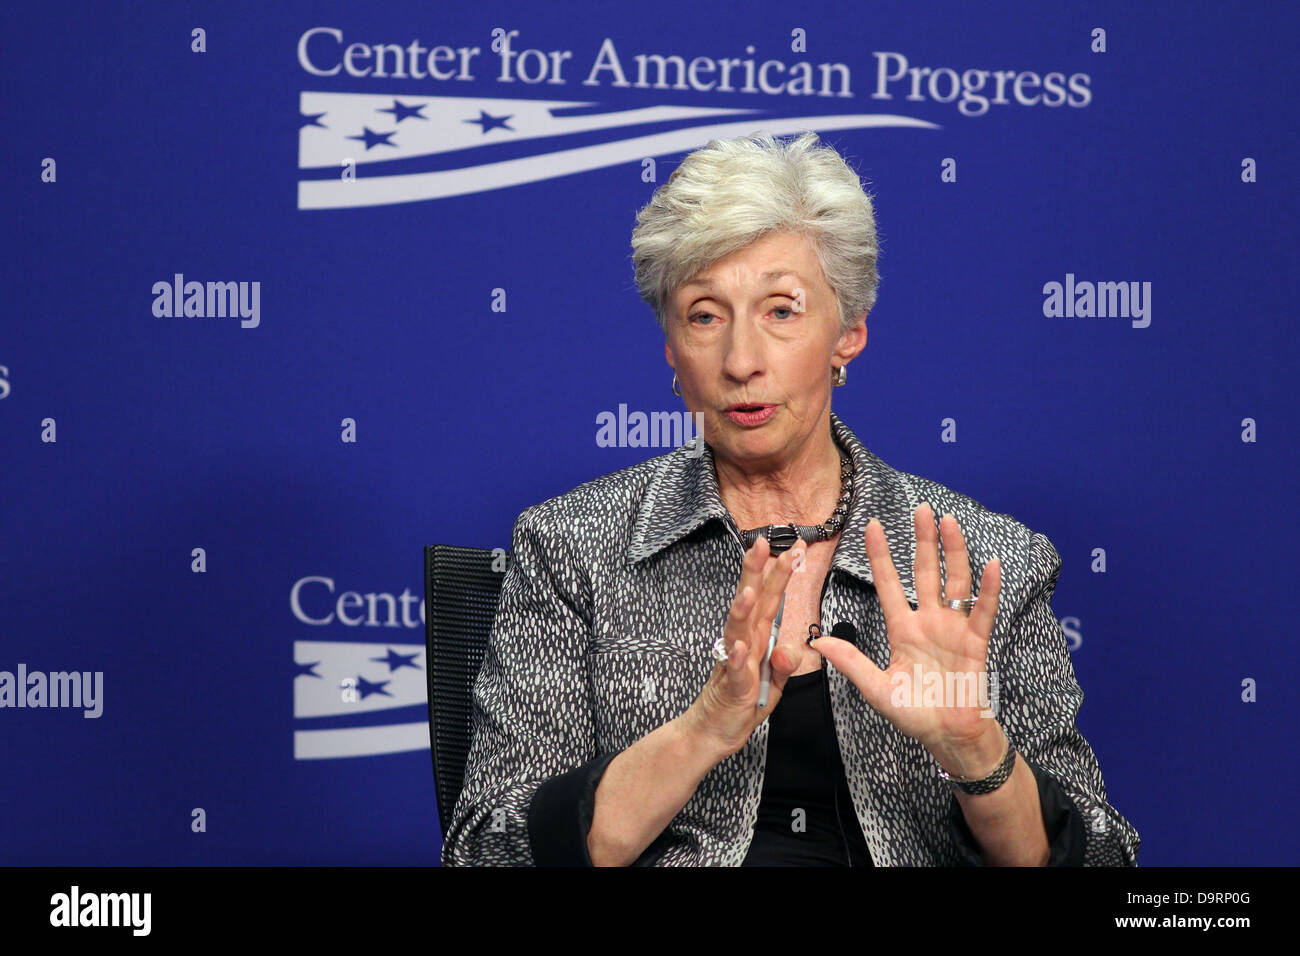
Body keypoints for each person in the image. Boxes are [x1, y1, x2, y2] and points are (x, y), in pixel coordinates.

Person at [440, 130, 1140, 867]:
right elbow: (490, 852)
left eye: (782, 311)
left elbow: (1104, 862)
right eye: (704, 315)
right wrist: (704, 729)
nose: (742, 361)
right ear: (671, 351)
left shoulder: (987, 559)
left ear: (849, 334)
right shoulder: (574, 546)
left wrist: (974, 749)